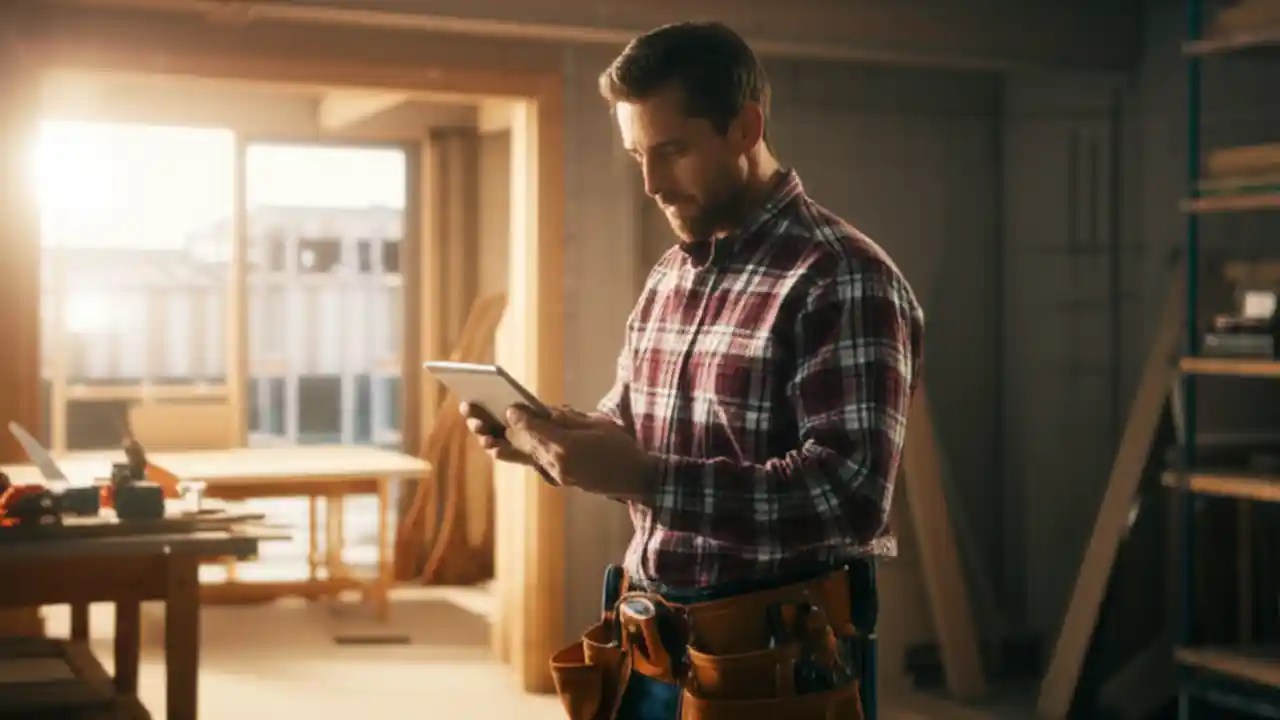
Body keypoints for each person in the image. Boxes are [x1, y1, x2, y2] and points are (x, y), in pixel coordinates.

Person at [461, 20, 924, 720]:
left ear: (745, 127)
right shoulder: (672, 275)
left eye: (671, 150)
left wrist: (644, 477)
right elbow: (636, 428)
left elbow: (848, 494)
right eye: (636, 154)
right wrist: (552, 441)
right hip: (647, 642)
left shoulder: (842, 278)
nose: (649, 182)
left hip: (774, 665)